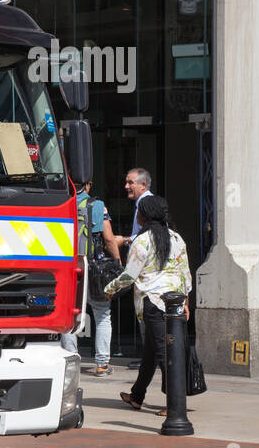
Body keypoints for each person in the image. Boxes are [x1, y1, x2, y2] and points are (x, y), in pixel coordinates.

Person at [104, 195, 192, 417]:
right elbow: (185, 275)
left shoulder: (141, 242)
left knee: (164, 354)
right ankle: (137, 396)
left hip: (153, 303)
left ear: (144, 216)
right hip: (174, 304)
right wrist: (186, 303)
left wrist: (109, 290)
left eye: (139, 212)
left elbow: (129, 275)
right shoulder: (177, 239)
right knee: (152, 353)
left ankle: (175, 405)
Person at [61, 180, 122, 374]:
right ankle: (102, 363)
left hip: (70, 267)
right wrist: (118, 262)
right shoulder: (98, 205)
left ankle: (71, 358)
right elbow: (109, 238)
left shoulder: (62, 202)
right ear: (88, 185)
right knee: (102, 314)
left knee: (70, 314)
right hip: (94, 267)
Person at [122, 167, 154, 245]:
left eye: (130, 182)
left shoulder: (149, 204)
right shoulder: (142, 202)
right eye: (126, 182)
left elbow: (153, 233)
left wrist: (125, 240)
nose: (126, 186)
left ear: (143, 185)